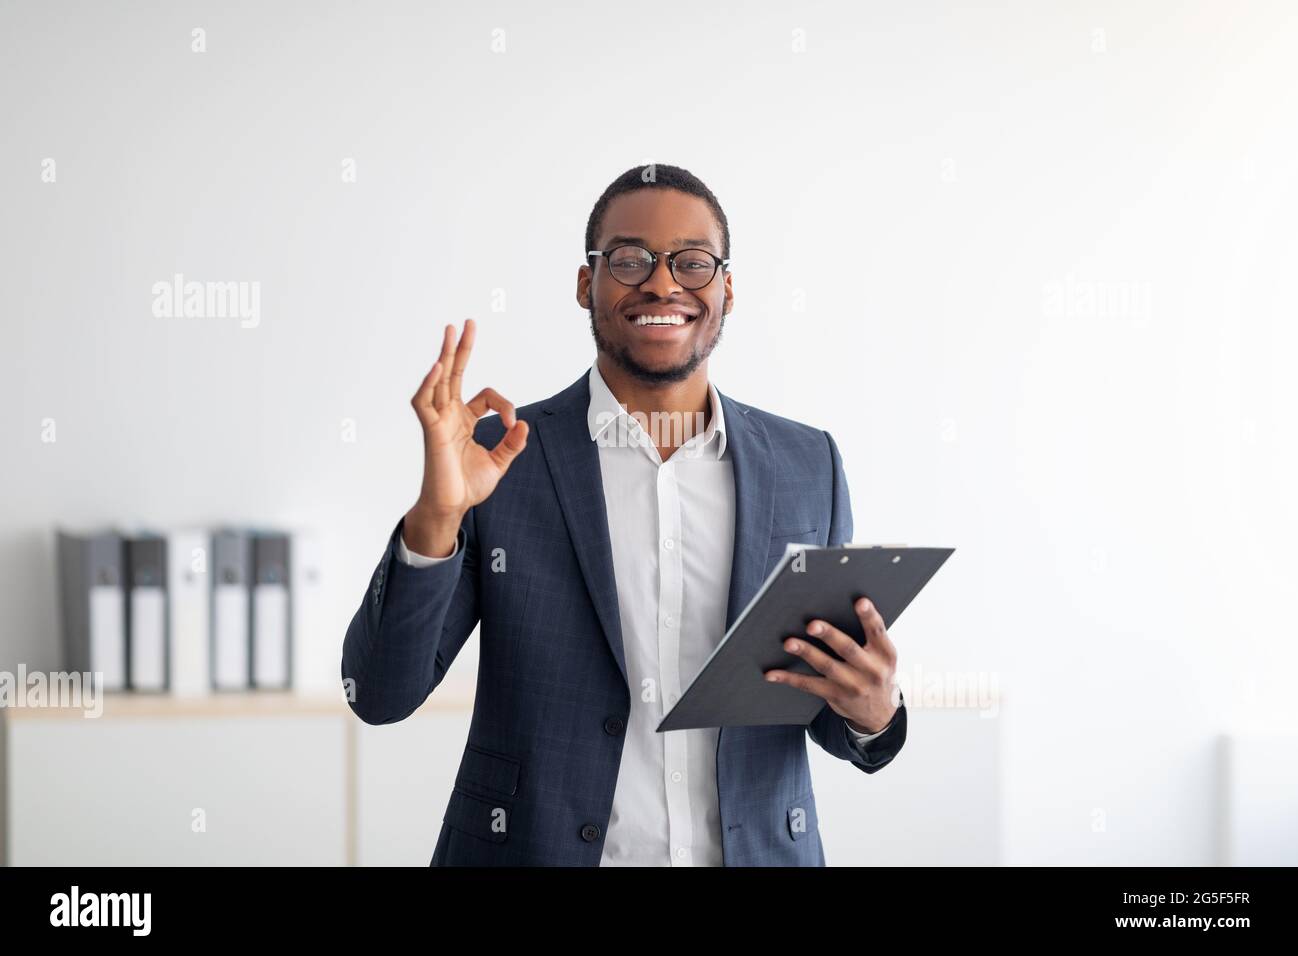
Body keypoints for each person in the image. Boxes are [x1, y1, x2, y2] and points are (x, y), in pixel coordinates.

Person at [341, 164, 907, 866]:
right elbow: (379, 694)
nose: (663, 284)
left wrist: (873, 711)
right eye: (631, 259)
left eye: (692, 263)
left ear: (727, 289)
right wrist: (437, 516)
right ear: (588, 284)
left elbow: (818, 697)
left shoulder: (807, 465)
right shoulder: (502, 457)